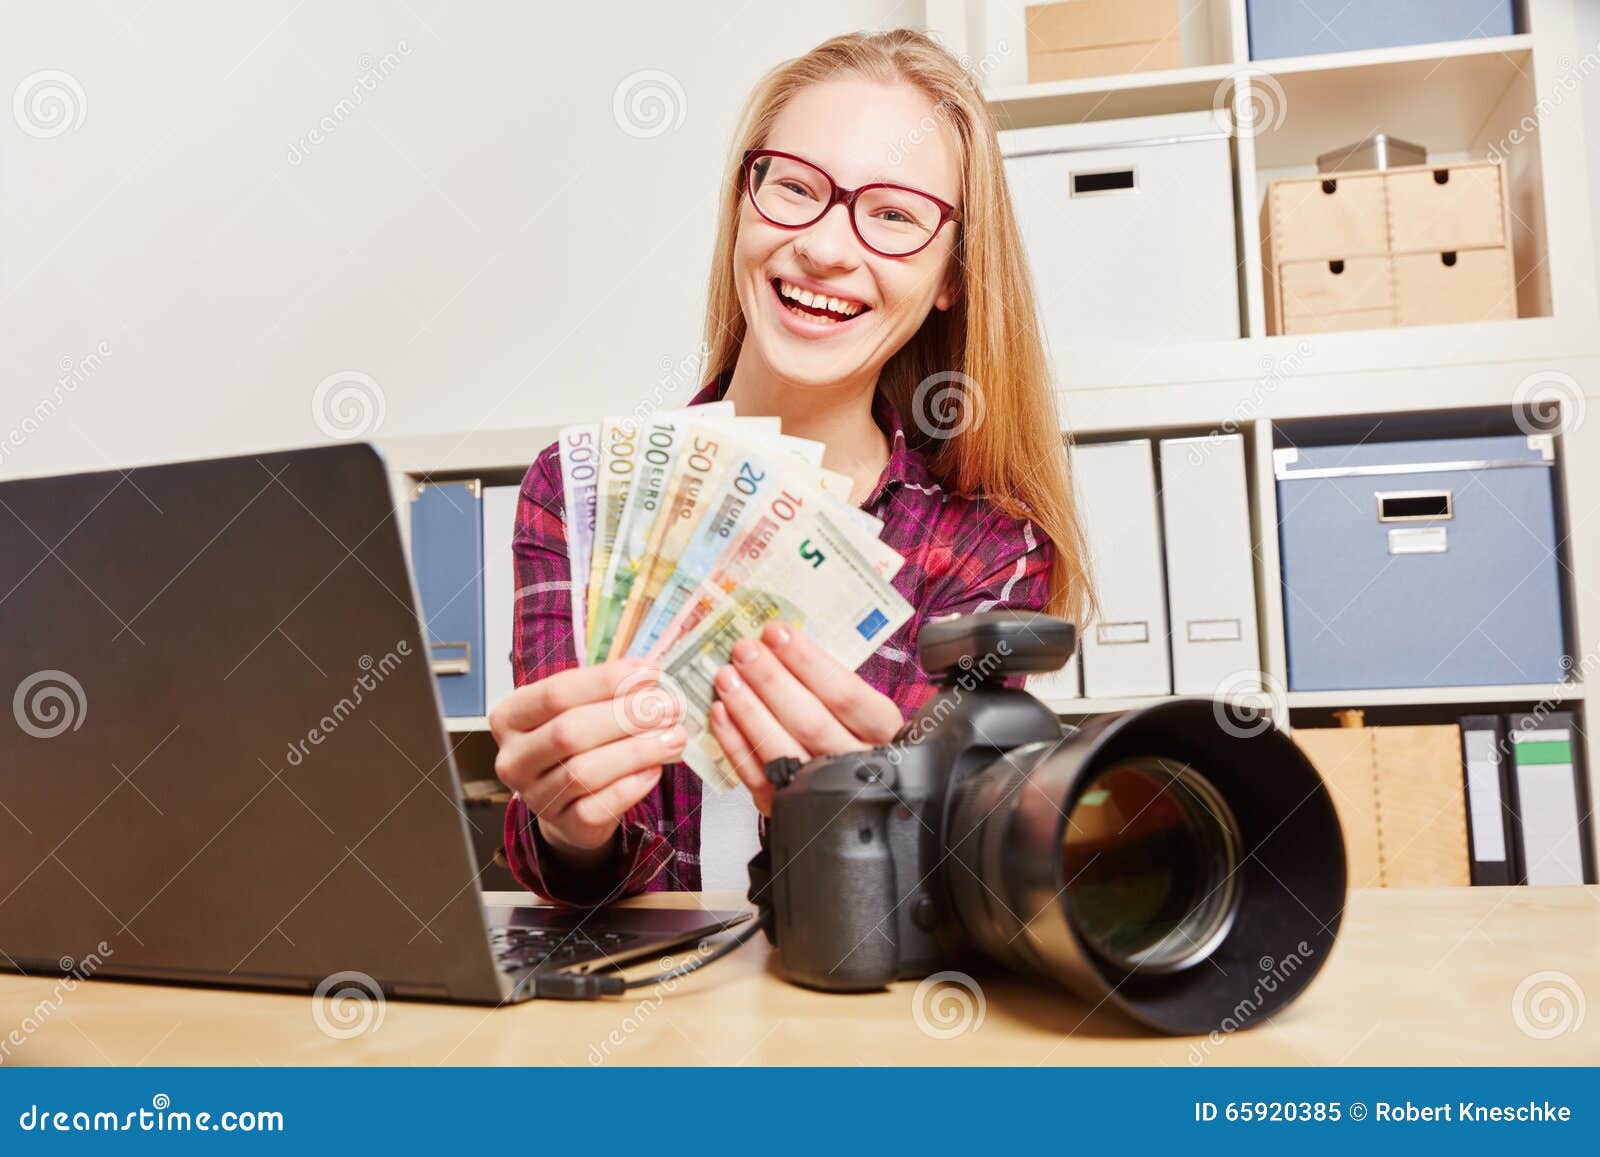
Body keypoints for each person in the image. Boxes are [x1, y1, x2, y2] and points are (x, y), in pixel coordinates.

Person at [491, 28, 1095, 904]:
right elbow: (581, 881)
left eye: (894, 215)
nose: (826, 247)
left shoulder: (987, 548)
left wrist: (861, 817)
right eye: (797, 189)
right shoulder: (577, 490)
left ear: (951, 276)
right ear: (743, 205)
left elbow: (946, 888)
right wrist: (569, 827)